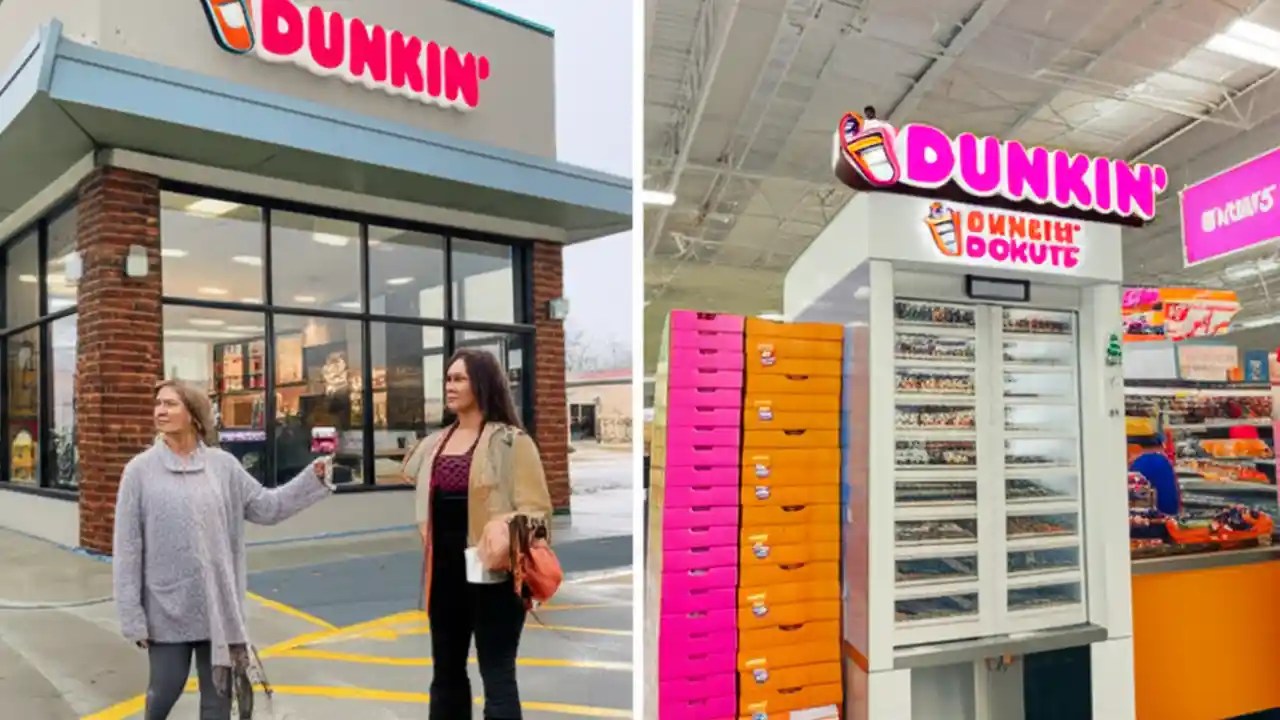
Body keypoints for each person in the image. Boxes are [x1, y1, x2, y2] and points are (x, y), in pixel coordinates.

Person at [113, 380, 336, 719]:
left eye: (171, 404)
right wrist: (132, 617)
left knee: (217, 700)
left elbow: (267, 507)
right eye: (158, 403)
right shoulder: (138, 472)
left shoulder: (223, 467)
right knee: (163, 693)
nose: (161, 410)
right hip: (165, 608)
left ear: (194, 414)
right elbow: (127, 549)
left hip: (218, 607)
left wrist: (311, 479)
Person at [402, 348, 553, 720]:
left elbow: (539, 514)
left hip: (496, 577)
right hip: (445, 577)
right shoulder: (434, 445)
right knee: (446, 676)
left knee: (497, 677)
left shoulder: (511, 442)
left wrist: (504, 525)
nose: (450, 386)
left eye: (459, 379)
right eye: (448, 379)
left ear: (481, 384)